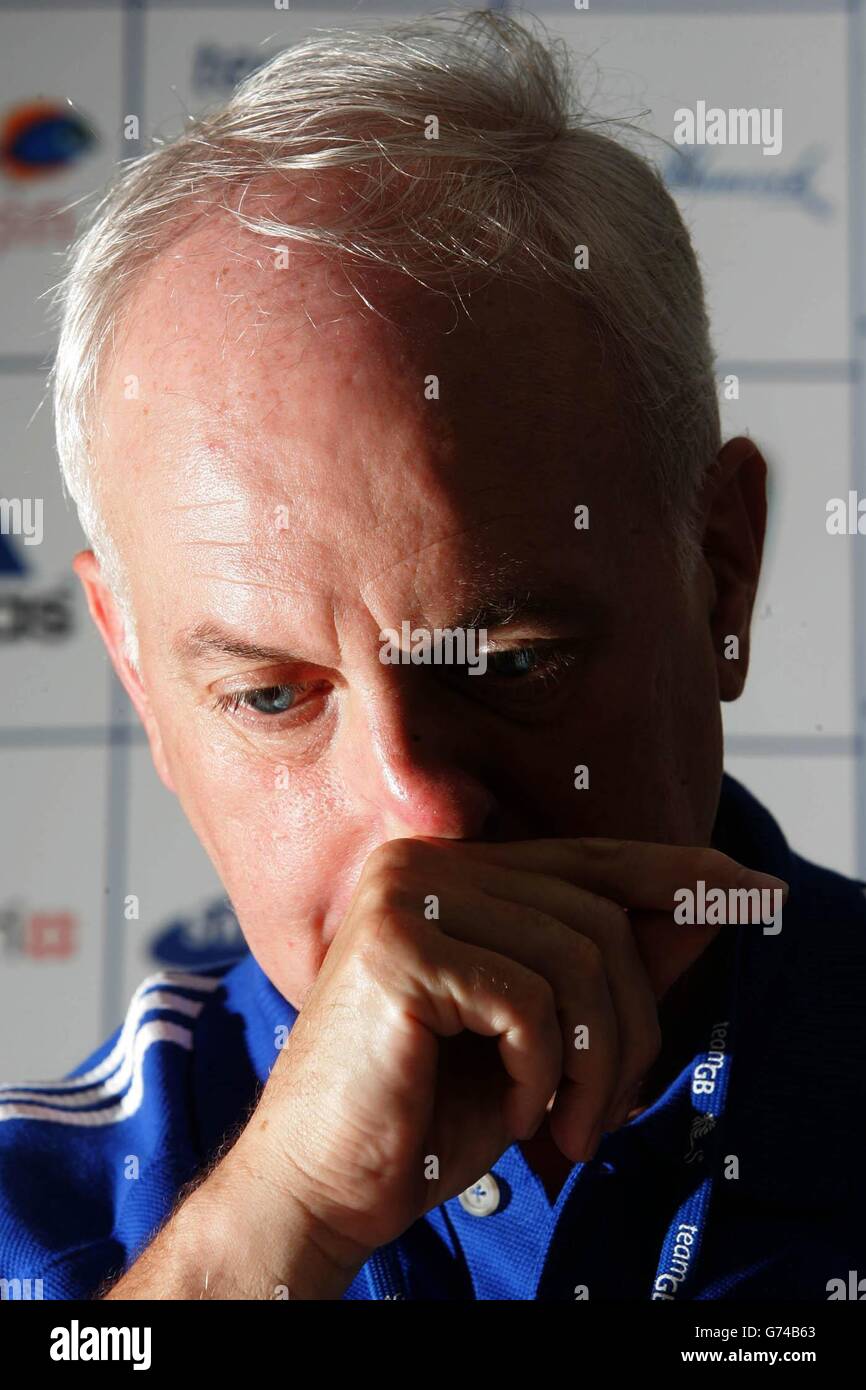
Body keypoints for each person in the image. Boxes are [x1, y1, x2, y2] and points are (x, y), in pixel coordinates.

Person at [1, 9, 864, 1302]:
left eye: (512, 664)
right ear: (142, 688)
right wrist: (266, 1234)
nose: (421, 814)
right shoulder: (40, 1219)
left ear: (720, 571)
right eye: (273, 694)